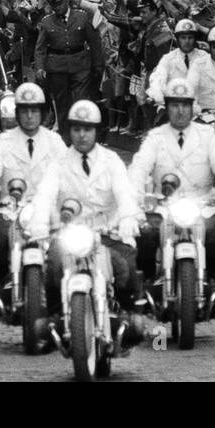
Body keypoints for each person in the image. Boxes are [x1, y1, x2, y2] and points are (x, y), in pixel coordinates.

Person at [27, 100, 143, 314]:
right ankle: (54, 317)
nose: (82, 135)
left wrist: (128, 218)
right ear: (69, 131)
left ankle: (130, 317)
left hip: (107, 232)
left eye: (87, 129)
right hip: (70, 235)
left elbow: (125, 192)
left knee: (125, 267)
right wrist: (39, 223)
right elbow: (45, 195)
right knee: (53, 266)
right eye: (77, 129)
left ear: (97, 131)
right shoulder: (58, 163)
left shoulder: (111, 160)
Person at [128, 79, 215, 293]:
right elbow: (139, 167)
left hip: (201, 203)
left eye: (185, 105)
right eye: (174, 105)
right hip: (163, 205)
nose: (180, 111)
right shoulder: (156, 137)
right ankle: (147, 284)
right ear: (167, 107)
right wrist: (134, 194)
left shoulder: (207, 135)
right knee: (146, 234)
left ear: (192, 107)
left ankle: (214, 282)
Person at [0, 82, 67, 310]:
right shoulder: (4, 142)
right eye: (24, 111)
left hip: (47, 211)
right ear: (17, 114)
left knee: (65, 247)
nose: (30, 116)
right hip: (11, 209)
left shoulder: (55, 142)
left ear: (43, 114)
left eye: (35, 111)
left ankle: (61, 294)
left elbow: (69, 174)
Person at [34, 0, 104, 134]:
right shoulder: (47, 22)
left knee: (81, 101)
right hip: (57, 67)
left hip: (80, 64)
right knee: (62, 104)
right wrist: (40, 67)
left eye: (59, 3)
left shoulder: (82, 17)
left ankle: (81, 133)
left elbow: (94, 43)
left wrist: (98, 65)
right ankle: (65, 138)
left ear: (66, 1)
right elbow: (40, 48)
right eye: (53, 5)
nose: (57, 7)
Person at [147, 19, 210, 110]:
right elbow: (157, 78)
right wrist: (157, 94)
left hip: (200, 107)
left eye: (190, 38)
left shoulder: (204, 57)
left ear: (195, 39)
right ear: (177, 39)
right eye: (183, 38)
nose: (187, 41)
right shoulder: (168, 58)